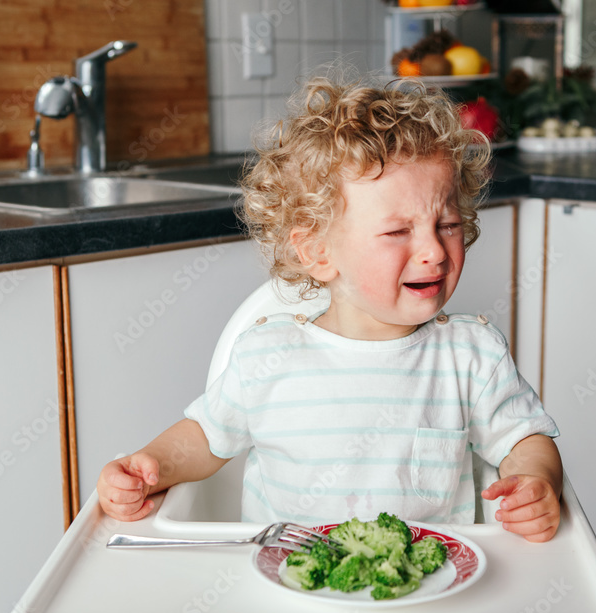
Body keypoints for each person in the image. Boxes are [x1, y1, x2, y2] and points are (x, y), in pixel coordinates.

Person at [97, 74, 564, 542]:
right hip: (288, 591)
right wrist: (148, 466)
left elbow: (524, 439)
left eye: (447, 224)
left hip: (426, 596)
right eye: (398, 231)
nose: (435, 251)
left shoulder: (472, 356)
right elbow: (203, 437)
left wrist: (538, 484)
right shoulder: (267, 356)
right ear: (318, 252)